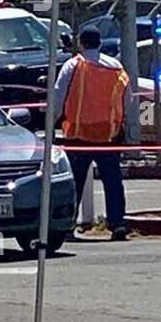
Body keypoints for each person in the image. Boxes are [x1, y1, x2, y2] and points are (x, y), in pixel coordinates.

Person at [53, 27, 132, 240]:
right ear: (99, 42)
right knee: (112, 180)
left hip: (79, 133)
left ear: (81, 43)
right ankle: (117, 224)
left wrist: (52, 121)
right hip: (108, 133)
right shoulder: (115, 67)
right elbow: (127, 99)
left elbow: (59, 96)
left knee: (74, 182)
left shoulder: (73, 65)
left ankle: (68, 225)